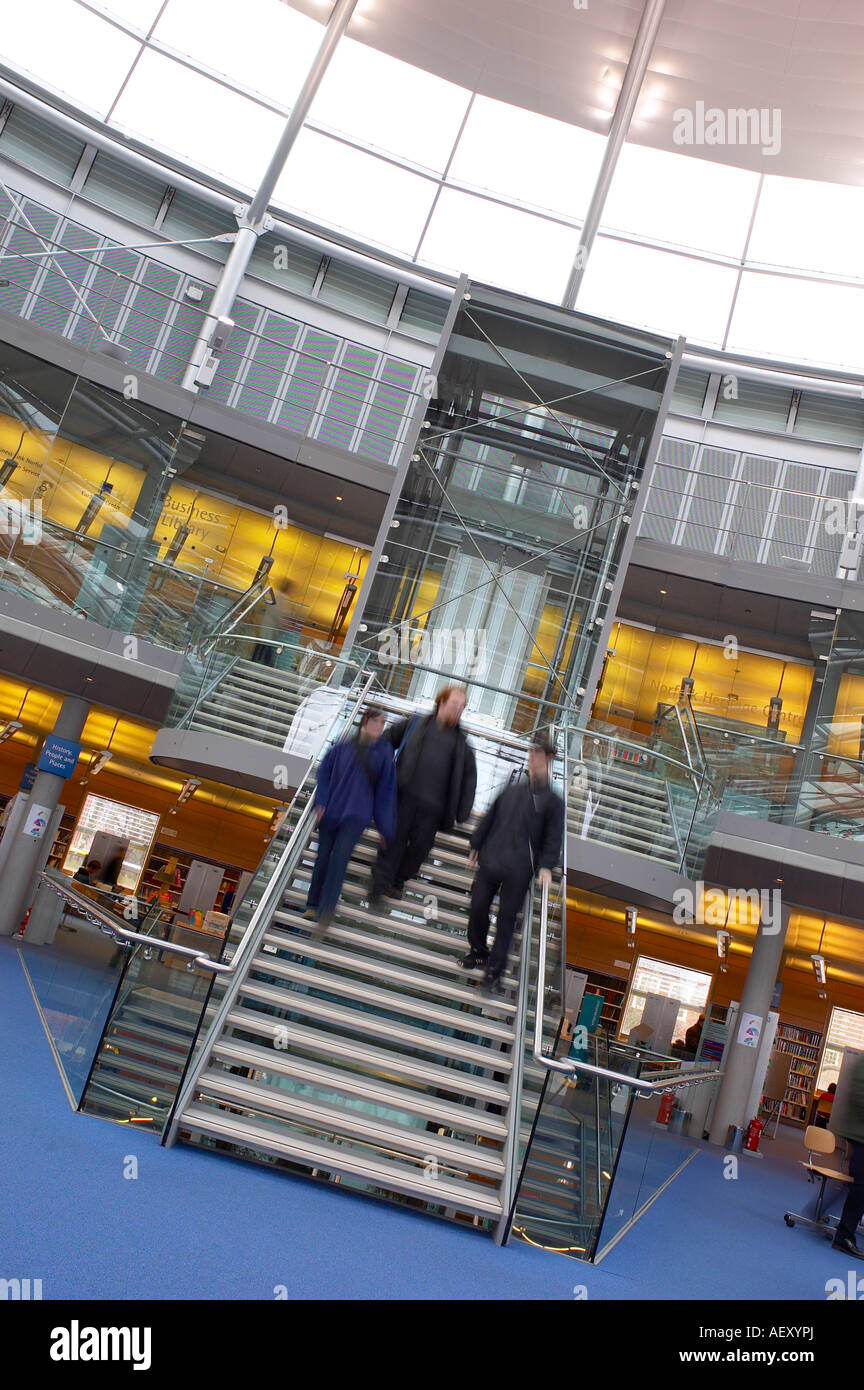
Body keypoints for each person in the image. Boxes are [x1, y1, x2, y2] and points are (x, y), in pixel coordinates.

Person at [459, 736, 564, 994]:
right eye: (531, 752)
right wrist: (476, 843)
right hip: (492, 859)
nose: (532, 757)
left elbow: (553, 838)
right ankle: (478, 951)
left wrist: (546, 866)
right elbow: (491, 815)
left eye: (538, 754)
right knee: (478, 906)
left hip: (520, 868)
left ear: (549, 759)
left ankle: (494, 973)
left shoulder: (553, 802)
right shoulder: (513, 790)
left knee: (506, 919)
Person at [370, 686, 476, 909]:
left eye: (462, 706)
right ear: (441, 702)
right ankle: (378, 888)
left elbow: (469, 779)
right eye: (455, 704)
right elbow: (387, 740)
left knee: (419, 850)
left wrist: (462, 812)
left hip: (433, 812)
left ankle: (398, 881)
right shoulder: (415, 724)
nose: (458, 709)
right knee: (391, 843)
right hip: (403, 799)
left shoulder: (462, 745)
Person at [304, 707, 396, 933]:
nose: (379, 728)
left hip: (356, 815)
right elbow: (324, 773)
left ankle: (326, 910)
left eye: (382, 724)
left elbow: (386, 792)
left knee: (339, 859)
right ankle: (312, 904)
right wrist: (321, 803)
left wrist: (385, 827)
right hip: (332, 812)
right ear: (364, 722)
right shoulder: (343, 746)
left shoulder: (384, 753)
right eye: (376, 722)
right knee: (323, 857)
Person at [831, 1055, 864, 1259]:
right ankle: (843, 1236)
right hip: (860, 1137)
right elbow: (861, 1099)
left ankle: (844, 1231)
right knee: (859, 1189)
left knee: (856, 1188)